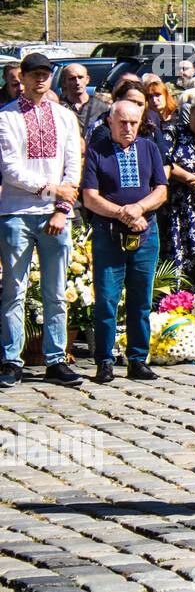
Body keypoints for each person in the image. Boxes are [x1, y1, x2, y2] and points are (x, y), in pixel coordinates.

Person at [0, 53, 83, 387]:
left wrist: (62, 209)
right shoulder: (6, 117)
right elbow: (10, 169)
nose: (40, 80)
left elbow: (73, 165)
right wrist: (51, 191)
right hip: (17, 213)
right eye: (34, 74)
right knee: (14, 291)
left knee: (55, 292)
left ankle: (55, 358)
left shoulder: (64, 117)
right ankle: (10, 359)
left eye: (45, 74)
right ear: (22, 77)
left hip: (57, 216)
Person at [80, 101, 169, 384]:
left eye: (133, 122)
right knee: (106, 298)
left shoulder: (149, 148)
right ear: (110, 122)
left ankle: (137, 359)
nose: (128, 127)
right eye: (123, 122)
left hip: (145, 232)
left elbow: (161, 189)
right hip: (108, 232)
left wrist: (139, 209)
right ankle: (104, 361)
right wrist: (123, 213)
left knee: (140, 299)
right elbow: (90, 197)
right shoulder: (97, 151)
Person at [160, 93, 195, 290]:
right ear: (190, 114)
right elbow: (163, 161)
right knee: (176, 257)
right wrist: (189, 178)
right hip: (178, 208)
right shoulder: (174, 132)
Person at [59, 63, 108, 138]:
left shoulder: (100, 107)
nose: (77, 82)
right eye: (72, 78)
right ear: (64, 82)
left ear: (87, 79)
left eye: (80, 77)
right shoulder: (59, 107)